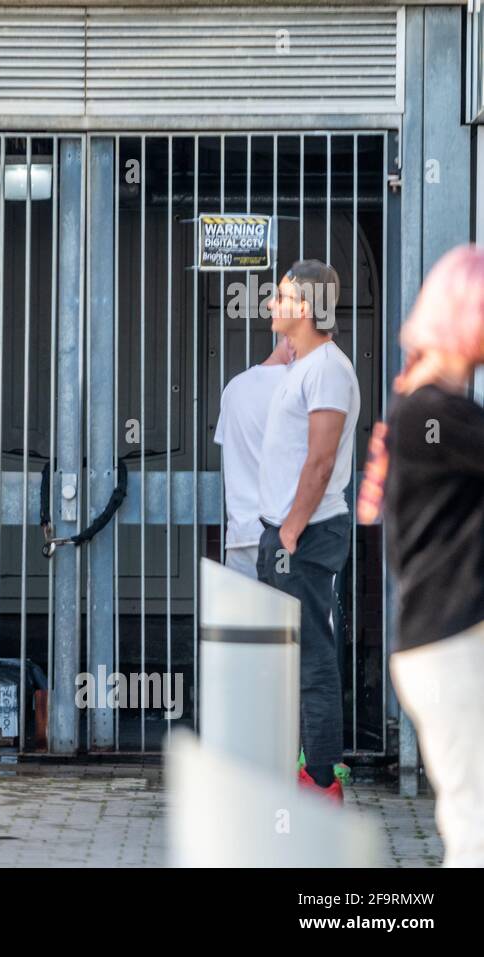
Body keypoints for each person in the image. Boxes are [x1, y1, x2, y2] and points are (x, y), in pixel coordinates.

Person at [361, 244, 484, 865]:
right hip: (451, 641)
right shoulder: (434, 417)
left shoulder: (428, 412)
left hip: (441, 641)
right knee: (475, 825)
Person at [255, 260, 360, 802]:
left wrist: (291, 531)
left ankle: (321, 781)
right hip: (287, 534)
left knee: (313, 658)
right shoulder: (306, 364)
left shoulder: (328, 371)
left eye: (281, 297)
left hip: (306, 535)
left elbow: (320, 463)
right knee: (290, 658)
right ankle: (301, 768)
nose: (271, 304)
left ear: (307, 307)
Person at [214, 336, 293, 578]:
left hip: (241, 537)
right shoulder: (303, 387)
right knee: (297, 616)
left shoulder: (234, 388)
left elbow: (232, 451)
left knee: (243, 617)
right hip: (288, 538)